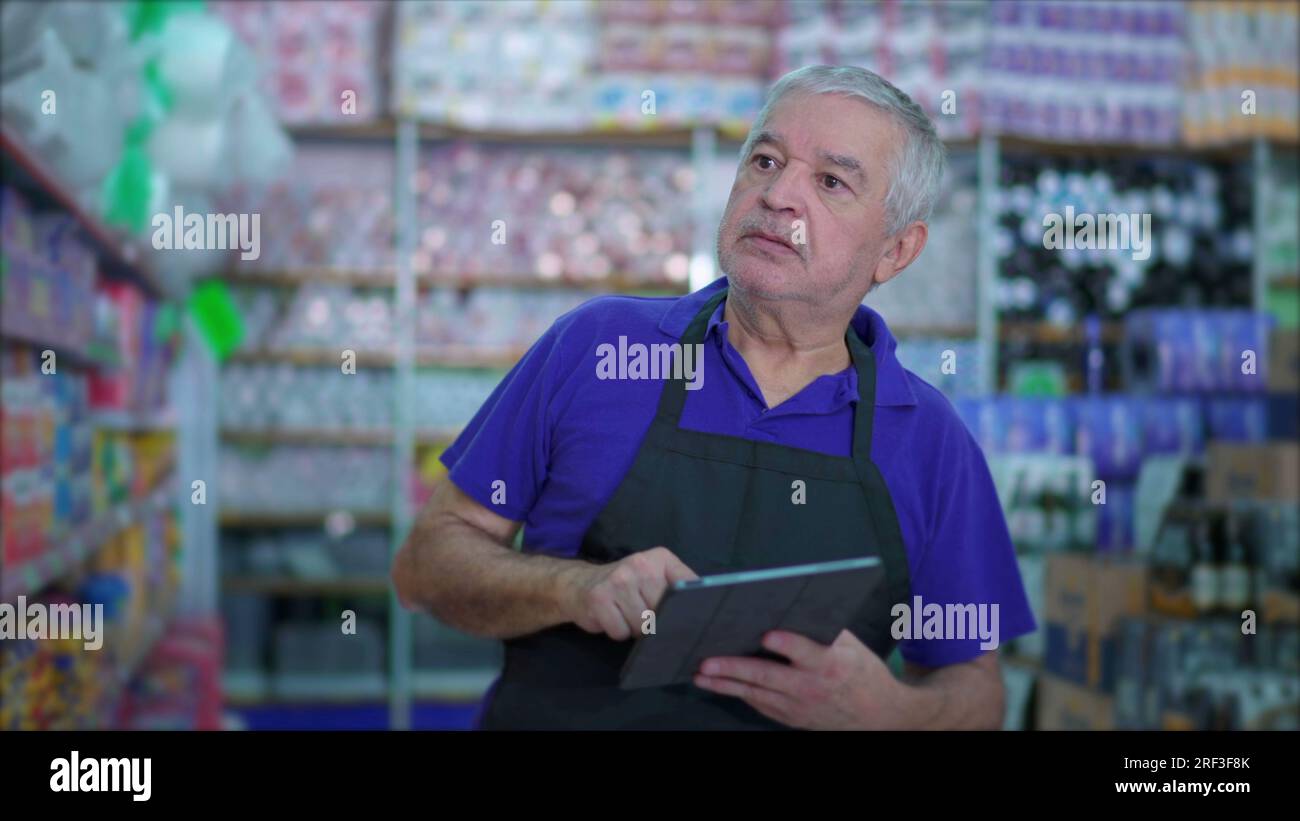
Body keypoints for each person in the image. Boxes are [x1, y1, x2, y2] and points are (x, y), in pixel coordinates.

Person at [393, 65, 1035, 730]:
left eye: (831, 181)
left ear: (896, 250)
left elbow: (977, 691)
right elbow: (424, 566)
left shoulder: (931, 441)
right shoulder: (597, 349)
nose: (779, 194)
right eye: (765, 159)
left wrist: (891, 712)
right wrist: (574, 587)